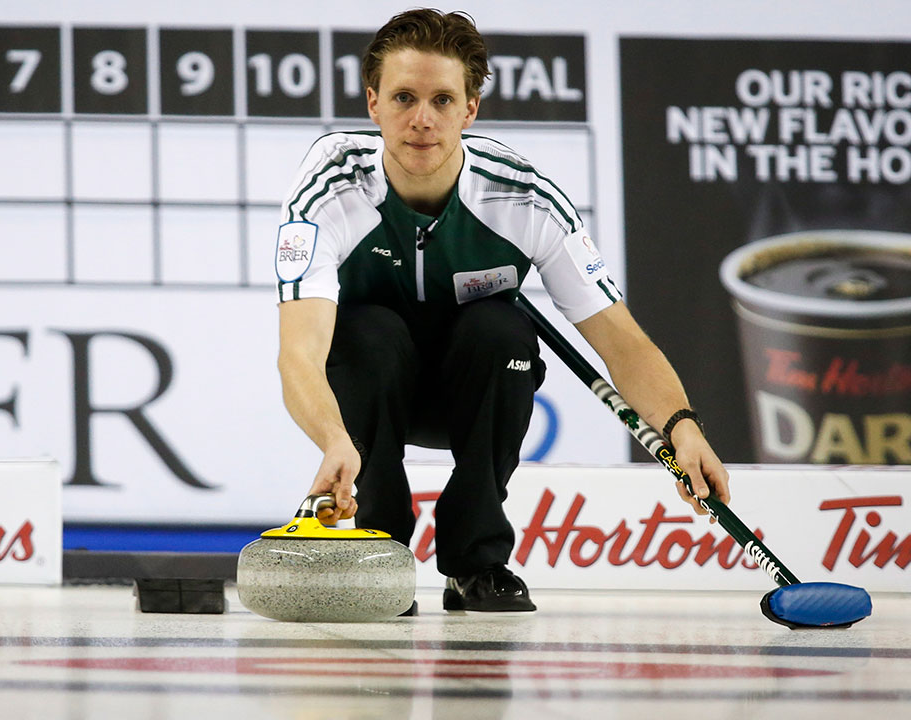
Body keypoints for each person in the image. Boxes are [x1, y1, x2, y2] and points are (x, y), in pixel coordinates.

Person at [274, 9, 731, 613]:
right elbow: (299, 354)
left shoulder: (525, 199)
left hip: (475, 388)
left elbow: (622, 340)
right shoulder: (327, 194)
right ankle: (377, 556)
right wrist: (332, 440)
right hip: (368, 391)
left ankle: (476, 561)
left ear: (470, 111)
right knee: (367, 331)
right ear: (372, 105)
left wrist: (682, 427)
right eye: (404, 97)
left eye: (442, 100)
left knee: (500, 329)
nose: (421, 120)